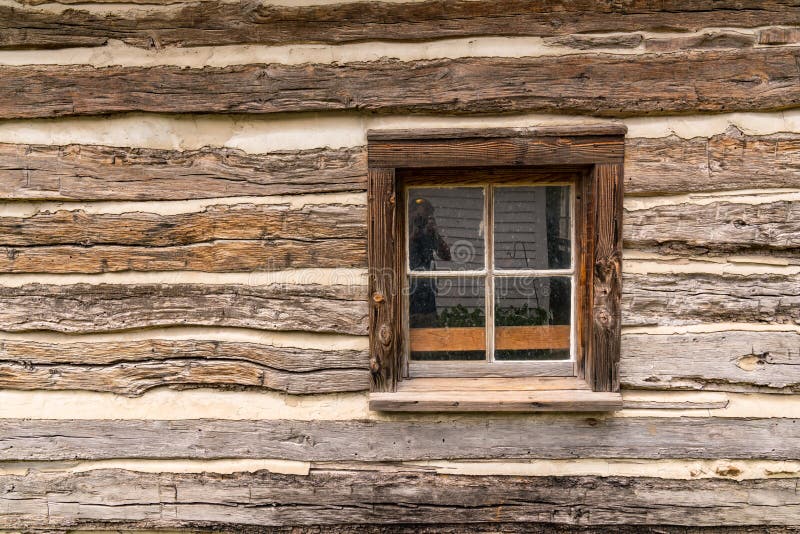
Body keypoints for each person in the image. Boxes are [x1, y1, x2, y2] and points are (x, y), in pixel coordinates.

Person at [408, 197, 450, 327]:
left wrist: (435, 233)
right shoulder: (404, 232)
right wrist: (412, 232)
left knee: (429, 325)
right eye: (418, 216)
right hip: (408, 287)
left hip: (428, 290)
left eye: (424, 215)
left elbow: (446, 255)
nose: (421, 220)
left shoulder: (430, 232)